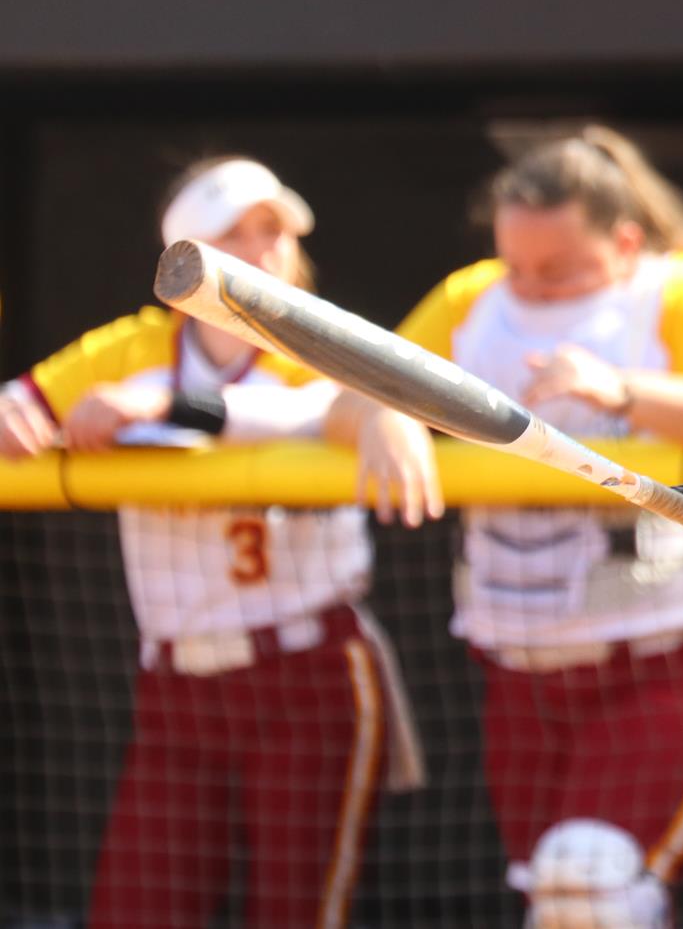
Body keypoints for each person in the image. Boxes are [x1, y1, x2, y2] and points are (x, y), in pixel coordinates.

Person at [344, 126, 683, 928]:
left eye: (555, 270)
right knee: (552, 900)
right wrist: (384, 413)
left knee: (590, 888)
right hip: (520, 666)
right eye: (517, 264)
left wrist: (622, 390)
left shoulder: (679, 291)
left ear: (624, 241)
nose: (529, 287)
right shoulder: (473, 297)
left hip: (660, 651)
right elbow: (357, 383)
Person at [0, 156, 416, 928]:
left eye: (277, 230)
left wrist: (380, 413)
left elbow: (348, 407)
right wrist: (11, 415)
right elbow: (16, 403)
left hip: (305, 667)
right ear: (184, 253)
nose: (266, 249)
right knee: (134, 909)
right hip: (178, 682)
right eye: (239, 232)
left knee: (296, 913)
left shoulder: (324, 339)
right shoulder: (131, 347)